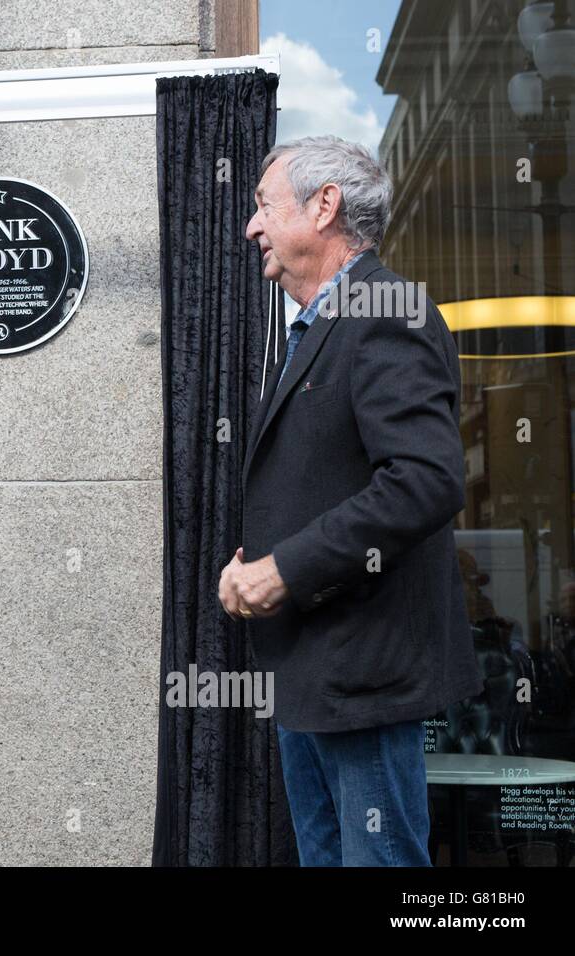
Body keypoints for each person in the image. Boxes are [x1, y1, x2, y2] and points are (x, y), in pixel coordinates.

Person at [222, 134, 482, 866]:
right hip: (315, 673)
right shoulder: (321, 327)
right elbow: (333, 476)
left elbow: (425, 481)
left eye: (264, 206)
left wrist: (286, 569)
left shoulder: (384, 311)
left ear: (324, 205)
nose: (253, 227)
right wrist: (266, 560)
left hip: (364, 673)